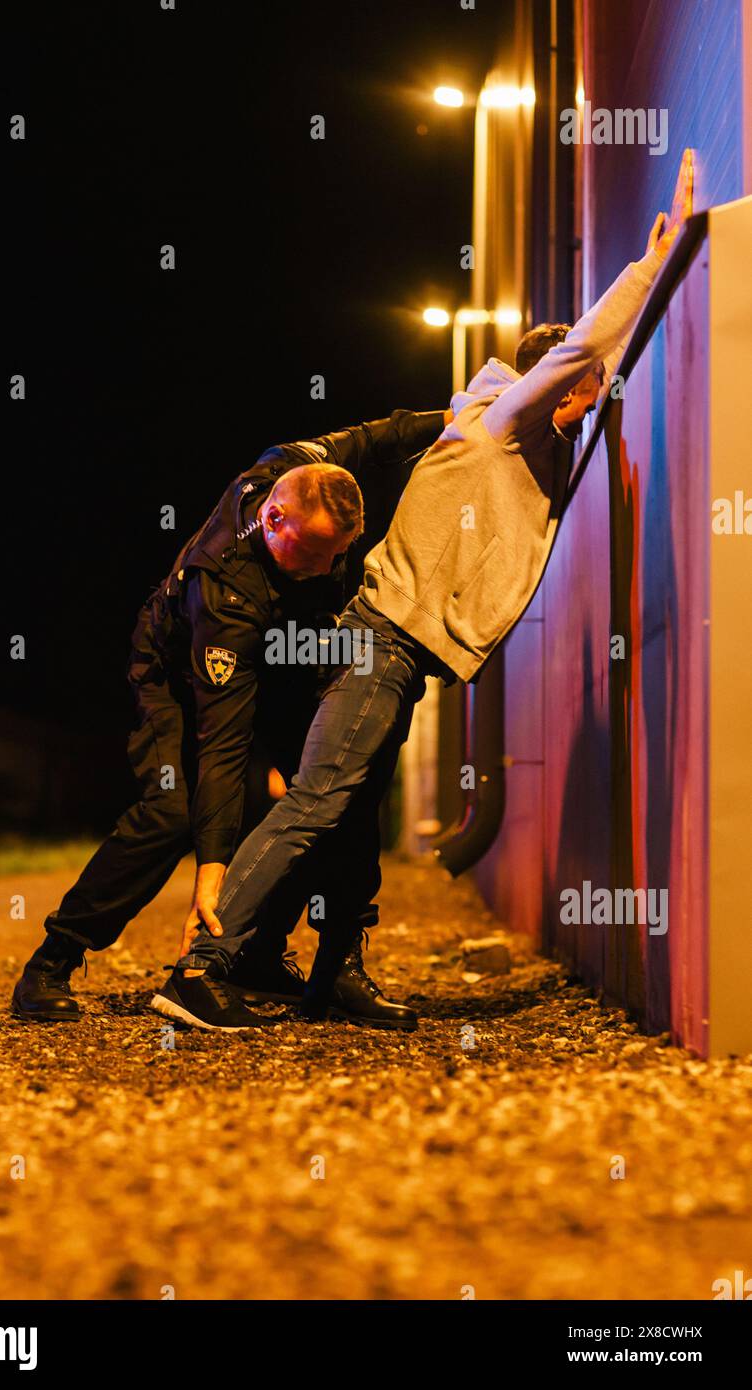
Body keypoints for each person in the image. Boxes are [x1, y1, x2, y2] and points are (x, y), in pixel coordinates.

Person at [152, 152, 695, 1030]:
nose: (595, 405)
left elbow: (595, 357)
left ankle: (333, 975)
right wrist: (652, 262)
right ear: (558, 383)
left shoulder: (497, 428)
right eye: (589, 392)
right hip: (386, 640)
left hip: (396, 644)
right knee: (322, 798)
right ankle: (200, 968)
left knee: (352, 814)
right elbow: (588, 346)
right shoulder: (509, 427)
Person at [11, 406, 450, 1024]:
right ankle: (51, 963)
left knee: (334, 789)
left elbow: (393, 432)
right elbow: (224, 744)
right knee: (172, 813)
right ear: (273, 520)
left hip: (282, 657)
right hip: (178, 672)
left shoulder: (306, 467)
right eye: (316, 553)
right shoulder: (226, 591)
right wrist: (211, 873)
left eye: (339, 553)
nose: (327, 569)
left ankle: (293, 960)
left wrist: (476, 409)